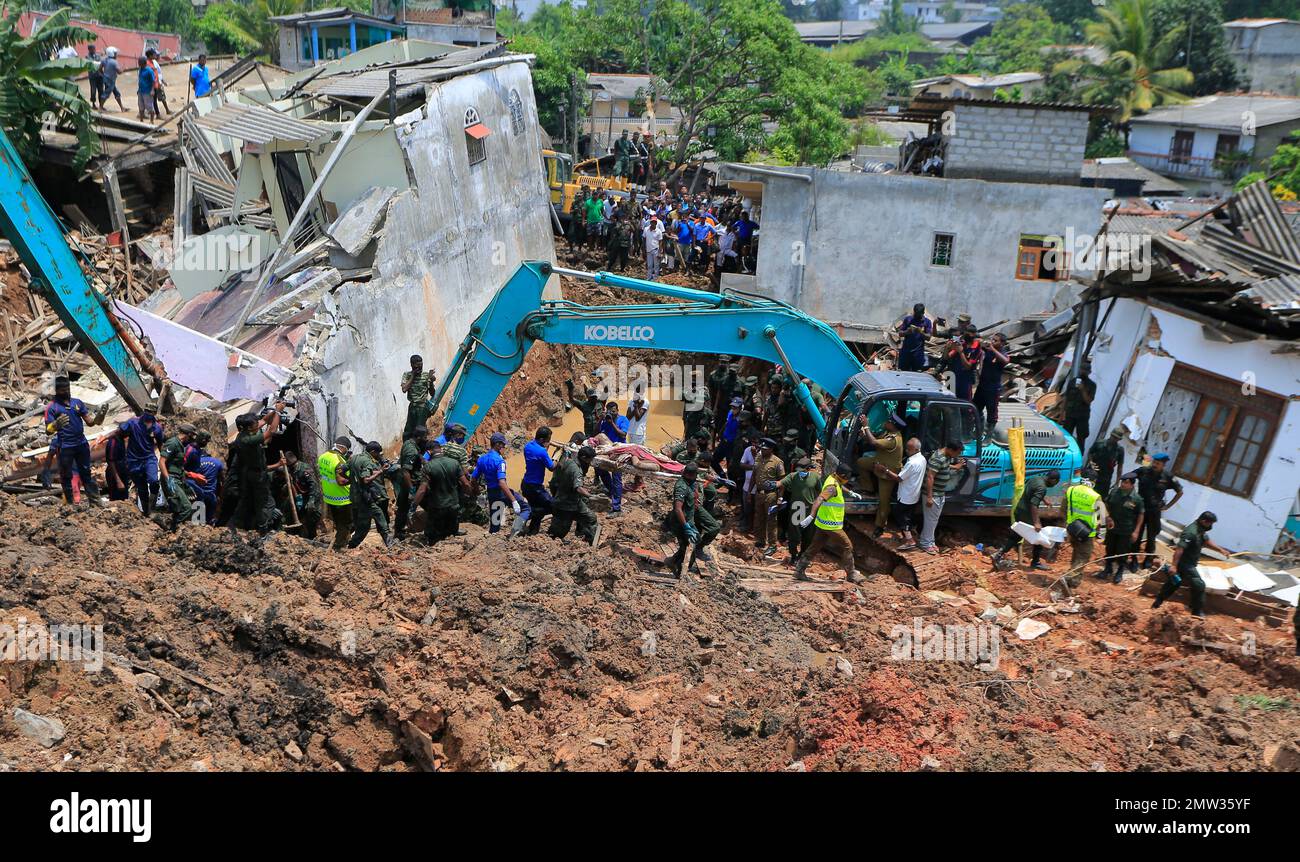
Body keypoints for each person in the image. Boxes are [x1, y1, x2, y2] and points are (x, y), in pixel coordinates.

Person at [793, 461, 860, 583]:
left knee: (814, 546)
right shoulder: (832, 487)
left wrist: (849, 492)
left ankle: (799, 570)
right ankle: (851, 575)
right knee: (848, 546)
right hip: (830, 525)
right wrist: (811, 516)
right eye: (847, 477)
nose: (848, 479)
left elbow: (839, 485)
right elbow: (819, 499)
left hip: (822, 523)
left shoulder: (833, 478)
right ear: (843, 476)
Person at [43, 376, 106, 505]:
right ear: (57, 390)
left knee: (86, 472)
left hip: (81, 444)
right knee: (66, 475)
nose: (66, 391)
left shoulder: (77, 403)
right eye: (63, 390)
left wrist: (98, 418)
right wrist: (54, 425)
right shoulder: (52, 407)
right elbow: (48, 431)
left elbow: (90, 422)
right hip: (65, 446)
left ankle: (95, 500)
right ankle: (70, 503)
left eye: (67, 388)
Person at [1152, 512, 1227, 619]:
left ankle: (1157, 602)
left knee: (1174, 583)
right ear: (1203, 521)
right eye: (1210, 523)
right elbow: (1179, 549)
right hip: (1185, 563)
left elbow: (1206, 540)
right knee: (1199, 584)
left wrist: (1220, 550)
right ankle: (1197, 611)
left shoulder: (1200, 529)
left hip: (1190, 562)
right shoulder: (1191, 532)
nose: (1211, 526)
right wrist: (1174, 566)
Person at [990, 471, 1059, 570]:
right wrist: (1036, 522)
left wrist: (1044, 500)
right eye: (1056, 482)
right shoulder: (1042, 488)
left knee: (1016, 536)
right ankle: (1035, 562)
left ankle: (998, 555)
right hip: (1027, 514)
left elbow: (1033, 491)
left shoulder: (1036, 478)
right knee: (1039, 537)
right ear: (1053, 480)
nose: (1054, 485)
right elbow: (1033, 504)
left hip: (1019, 510)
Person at [229, 408, 280, 533]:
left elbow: (263, 421)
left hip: (251, 474)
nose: (258, 425)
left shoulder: (245, 434)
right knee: (265, 503)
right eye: (255, 424)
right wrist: (278, 412)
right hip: (257, 475)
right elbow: (271, 431)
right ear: (249, 428)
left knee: (249, 501)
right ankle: (263, 529)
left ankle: (236, 525)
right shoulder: (247, 440)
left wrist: (274, 410)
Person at [855, 412, 904, 537]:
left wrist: (866, 426)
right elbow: (875, 440)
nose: (885, 422)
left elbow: (874, 443)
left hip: (886, 473)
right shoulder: (888, 434)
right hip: (878, 463)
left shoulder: (893, 440)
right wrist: (864, 435)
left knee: (884, 501)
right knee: (861, 462)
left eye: (888, 421)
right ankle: (868, 488)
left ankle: (880, 526)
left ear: (892, 425)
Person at [874, 438, 926, 549]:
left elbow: (899, 478)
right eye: (906, 448)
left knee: (901, 517)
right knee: (908, 516)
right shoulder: (922, 459)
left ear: (916, 449)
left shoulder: (912, 463)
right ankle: (910, 535)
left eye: (909, 449)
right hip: (914, 494)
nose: (906, 450)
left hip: (906, 496)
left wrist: (885, 470)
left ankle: (910, 541)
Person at [666, 463, 717, 576]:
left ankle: (673, 561)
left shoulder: (690, 483)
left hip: (689, 519)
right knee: (690, 550)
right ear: (691, 475)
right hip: (680, 523)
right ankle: (680, 573)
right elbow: (678, 508)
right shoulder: (682, 487)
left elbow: (703, 477)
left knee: (691, 543)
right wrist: (686, 527)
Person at [411, 439, 464, 544]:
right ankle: (453, 533)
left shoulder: (428, 467)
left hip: (438, 507)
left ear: (429, 452)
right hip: (454, 507)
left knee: (431, 535)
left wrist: (413, 506)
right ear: (441, 449)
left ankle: (434, 540)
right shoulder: (454, 463)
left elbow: (422, 490)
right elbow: (465, 483)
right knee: (451, 530)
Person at [1135, 453, 1183, 569]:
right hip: (1140, 509)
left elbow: (1180, 492)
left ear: (1163, 465)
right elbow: (1129, 477)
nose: (1154, 465)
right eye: (1154, 462)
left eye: (1158, 463)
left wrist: (1168, 506)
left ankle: (1148, 559)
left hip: (1154, 511)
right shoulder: (1143, 471)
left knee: (1151, 536)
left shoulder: (1168, 476)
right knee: (1137, 534)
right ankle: (1133, 559)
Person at [473, 432, 526, 535]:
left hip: (491, 493)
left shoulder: (482, 459)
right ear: (497, 444)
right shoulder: (499, 461)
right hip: (501, 492)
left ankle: (493, 536)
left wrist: (478, 493)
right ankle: (516, 531)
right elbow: (501, 482)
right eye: (503, 445)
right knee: (525, 508)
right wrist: (514, 500)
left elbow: (473, 479)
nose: (504, 447)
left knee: (495, 523)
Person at [919, 439, 965, 555]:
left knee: (934, 520)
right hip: (933, 494)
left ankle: (930, 542)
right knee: (930, 520)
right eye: (957, 452)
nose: (957, 455)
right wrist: (929, 497)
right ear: (950, 449)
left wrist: (956, 467)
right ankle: (925, 543)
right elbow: (930, 477)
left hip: (939, 493)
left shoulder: (946, 456)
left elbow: (944, 466)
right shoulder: (937, 458)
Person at [348, 441, 394, 548]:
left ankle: (389, 543)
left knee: (376, 519)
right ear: (372, 452)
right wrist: (380, 471)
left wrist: (351, 480)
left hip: (357, 496)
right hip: (365, 498)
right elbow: (366, 479)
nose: (379, 455)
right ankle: (352, 545)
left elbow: (341, 470)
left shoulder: (354, 458)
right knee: (366, 524)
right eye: (377, 453)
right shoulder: (367, 461)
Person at [1100, 472, 1144, 584]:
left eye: (1126, 482)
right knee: (1109, 549)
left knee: (1122, 552)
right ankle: (1107, 568)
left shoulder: (1137, 499)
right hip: (1112, 528)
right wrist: (1107, 517)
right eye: (1122, 482)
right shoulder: (1114, 492)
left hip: (1126, 530)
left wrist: (1136, 531)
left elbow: (1141, 514)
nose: (1123, 484)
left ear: (1132, 485)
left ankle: (1119, 572)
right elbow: (1106, 504)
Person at [549, 445, 598, 544]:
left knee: (590, 518)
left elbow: (555, 480)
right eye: (590, 459)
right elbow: (578, 488)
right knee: (562, 528)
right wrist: (591, 496)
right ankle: (551, 542)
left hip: (566, 499)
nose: (591, 462)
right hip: (567, 503)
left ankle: (584, 537)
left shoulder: (568, 462)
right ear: (583, 458)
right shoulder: (576, 470)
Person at [123, 408, 165, 514]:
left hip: (149, 458)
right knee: (141, 487)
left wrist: (164, 459)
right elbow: (120, 433)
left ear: (154, 413)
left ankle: (152, 506)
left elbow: (160, 444)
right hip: (134, 460)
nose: (149, 414)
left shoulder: (157, 427)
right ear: (144, 411)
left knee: (153, 481)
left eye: (151, 412)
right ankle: (146, 511)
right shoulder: (133, 423)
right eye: (147, 412)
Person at [1062, 476, 1103, 585]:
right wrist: (1098, 531)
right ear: (1094, 481)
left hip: (1072, 529)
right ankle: (1068, 577)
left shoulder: (1071, 490)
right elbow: (1101, 516)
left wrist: (1069, 523)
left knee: (1076, 553)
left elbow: (1063, 509)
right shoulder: (1095, 496)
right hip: (1087, 533)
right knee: (1084, 556)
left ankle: (1074, 581)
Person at [749, 438, 785, 557]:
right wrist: (749, 491)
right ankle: (760, 540)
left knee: (771, 520)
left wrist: (780, 498)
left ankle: (772, 545)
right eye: (762, 449)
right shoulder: (758, 459)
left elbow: (782, 482)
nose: (762, 451)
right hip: (759, 493)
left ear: (771, 449)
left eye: (765, 449)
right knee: (759, 518)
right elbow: (754, 476)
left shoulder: (777, 462)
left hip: (771, 495)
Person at [158, 422, 197, 531]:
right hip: (171, 479)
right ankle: (172, 529)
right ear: (188, 434)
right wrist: (169, 480)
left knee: (179, 507)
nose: (193, 439)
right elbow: (161, 462)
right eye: (192, 435)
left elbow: (178, 467)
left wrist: (186, 484)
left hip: (178, 480)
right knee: (186, 508)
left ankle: (171, 527)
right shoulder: (173, 443)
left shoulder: (181, 446)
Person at [318, 437, 353, 549]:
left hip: (329, 496)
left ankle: (343, 538)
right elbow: (341, 481)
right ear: (344, 448)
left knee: (338, 521)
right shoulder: (339, 461)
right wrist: (354, 480)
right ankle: (339, 545)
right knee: (346, 522)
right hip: (342, 498)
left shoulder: (322, 457)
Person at [393, 425, 427, 541]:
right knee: (406, 507)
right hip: (411, 482)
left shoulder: (409, 443)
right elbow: (406, 471)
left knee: (403, 507)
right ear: (419, 437)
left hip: (409, 482)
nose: (426, 439)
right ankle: (400, 532)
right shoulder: (411, 450)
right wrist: (411, 489)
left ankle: (399, 531)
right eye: (424, 437)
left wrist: (422, 459)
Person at [522, 426, 557, 535]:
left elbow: (539, 457)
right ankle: (525, 516)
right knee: (552, 506)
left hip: (525, 484)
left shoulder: (528, 446)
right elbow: (551, 467)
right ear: (542, 440)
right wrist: (557, 457)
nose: (549, 442)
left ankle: (533, 531)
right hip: (535, 488)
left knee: (539, 507)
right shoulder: (542, 451)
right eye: (548, 440)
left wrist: (545, 448)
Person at [281, 449, 321, 540]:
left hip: (311, 495)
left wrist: (311, 501)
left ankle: (312, 537)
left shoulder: (304, 469)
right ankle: (299, 535)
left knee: (311, 516)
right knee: (291, 511)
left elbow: (314, 486)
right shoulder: (290, 470)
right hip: (301, 496)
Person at [973, 332, 1009, 433]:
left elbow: (1006, 361)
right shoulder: (987, 350)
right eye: (992, 339)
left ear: (1002, 343)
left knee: (992, 412)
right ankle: (978, 430)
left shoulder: (1002, 353)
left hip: (993, 388)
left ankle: (989, 435)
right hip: (982, 385)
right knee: (976, 408)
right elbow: (977, 342)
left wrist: (992, 349)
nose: (992, 342)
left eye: (995, 341)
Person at [596, 402, 627, 514]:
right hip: (607, 449)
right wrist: (601, 419)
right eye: (609, 411)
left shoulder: (623, 420)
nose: (612, 413)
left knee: (616, 477)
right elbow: (597, 432)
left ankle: (616, 508)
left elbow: (623, 434)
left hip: (620, 450)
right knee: (599, 468)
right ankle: (611, 491)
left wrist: (612, 423)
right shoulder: (605, 421)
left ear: (617, 410)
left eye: (613, 411)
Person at [1061, 359, 1096, 448]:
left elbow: (1088, 401)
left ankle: (1079, 454)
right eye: (1082, 369)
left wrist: (1083, 389)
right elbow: (1066, 397)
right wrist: (1062, 413)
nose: (1083, 372)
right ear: (1079, 369)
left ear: (1089, 372)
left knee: (1081, 437)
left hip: (1082, 415)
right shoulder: (1072, 381)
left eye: (1085, 370)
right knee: (1066, 435)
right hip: (1070, 413)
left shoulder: (1092, 385)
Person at [401, 355, 435, 439]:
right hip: (412, 406)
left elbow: (432, 393)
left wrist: (430, 382)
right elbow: (404, 389)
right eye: (417, 367)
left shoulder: (426, 375)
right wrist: (413, 376)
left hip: (422, 407)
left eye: (421, 366)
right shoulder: (407, 375)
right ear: (411, 365)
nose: (419, 369)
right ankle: (407, 445)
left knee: (419, 431)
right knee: (408, 430)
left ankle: (419, 445)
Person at [1087, 427, 1125, 499]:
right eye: (1113, 436)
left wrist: (1117, 482)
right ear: (1110, 435)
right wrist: (1091, 463)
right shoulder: (1099, 443)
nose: (1114, 439)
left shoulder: (1120, 450)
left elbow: (1120, 467)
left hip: (1105, 478)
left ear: (1119, 439)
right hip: (1093, 473)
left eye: (1116, 438)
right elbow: (1090, 453)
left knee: (1100, 498)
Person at [947, 326, 983, 402]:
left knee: (965, 403)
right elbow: (948, 356)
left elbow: (968, 366)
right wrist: (948, 348)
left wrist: (961, 353)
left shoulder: (976, 348)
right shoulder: (961, 344)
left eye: (969, 334)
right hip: (954, 378)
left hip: (965, 381)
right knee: (950, 402)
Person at [896, 304, 931, 372]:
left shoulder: (927, 322)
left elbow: (928, 337)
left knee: (917, 374)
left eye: (918, 314)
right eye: (915, 314)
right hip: (905, 353)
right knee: (902, 373)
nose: (916, 316)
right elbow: (900, 333)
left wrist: (920, 332)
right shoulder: (908, 319)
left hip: (918, 354)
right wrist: (907, 332)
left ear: (923, 313)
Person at [103, 423, 130, 501]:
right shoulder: (113, 443)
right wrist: (118, 481)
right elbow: (111, 462)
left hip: (122, 472)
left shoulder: (120, 439)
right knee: (116, 499)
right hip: (114, 475)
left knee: (124, 498)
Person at [100, 47, 124, 112]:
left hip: (107, 79)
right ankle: (100, 108)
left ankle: (122, 108)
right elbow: (119, 72)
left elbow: (100, 69)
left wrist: (104, 75)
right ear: (112, 54)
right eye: (115, 53)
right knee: (106, 94)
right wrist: (122, 69)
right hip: (111, 80)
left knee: (117, 93)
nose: (116, 55)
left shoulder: (104, 60)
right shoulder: (114, 62)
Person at [145, 49, 169, 115]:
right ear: (150, 55)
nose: (157, 56)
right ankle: (156, 113)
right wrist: (157, 83)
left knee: (155, 99)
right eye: (155, 54)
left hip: (157, 83)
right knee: (154, 99)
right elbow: (153, 75)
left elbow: (157, 74)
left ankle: (155, 112)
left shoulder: (153, 62)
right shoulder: (150, 63)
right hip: (154, 84)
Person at [136, 56, 157, 122]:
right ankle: (141, 120)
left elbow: (153, 81)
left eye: (140, 63)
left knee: (149, 107)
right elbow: (140, 80)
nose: (139, 64)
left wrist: (152, 90)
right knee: (141, 107)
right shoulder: (140, 70)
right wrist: (138, 90)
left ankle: (152, 121)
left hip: (147, 92)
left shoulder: (149, 71)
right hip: (141, 91)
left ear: (144, 63)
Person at [643, 214, 665, 280]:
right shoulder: (646, 229)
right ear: (650, 222)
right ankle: (649, 277)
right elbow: (644, 239)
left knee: (656, 265)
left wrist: (660, 252)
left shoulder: (659, 231)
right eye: (652, 222)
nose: (653, 223)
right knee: (649, 265)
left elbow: (660, 242)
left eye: (654, 222)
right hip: (648, 250)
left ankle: (655, 278)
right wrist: (643, 249)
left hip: (656, 249)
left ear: (656, 223)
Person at [87, 45, 103, 110]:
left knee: (101, 90)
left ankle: (101, 105)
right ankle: (93, 104)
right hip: (92, 76)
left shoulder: (98, 55)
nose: (94, 50)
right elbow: (93, 63)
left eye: (94, 49)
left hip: (99, 75)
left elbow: (100, 63)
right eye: (92, 49)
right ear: (89, 50)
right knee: (93, 91)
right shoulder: (87, 57)